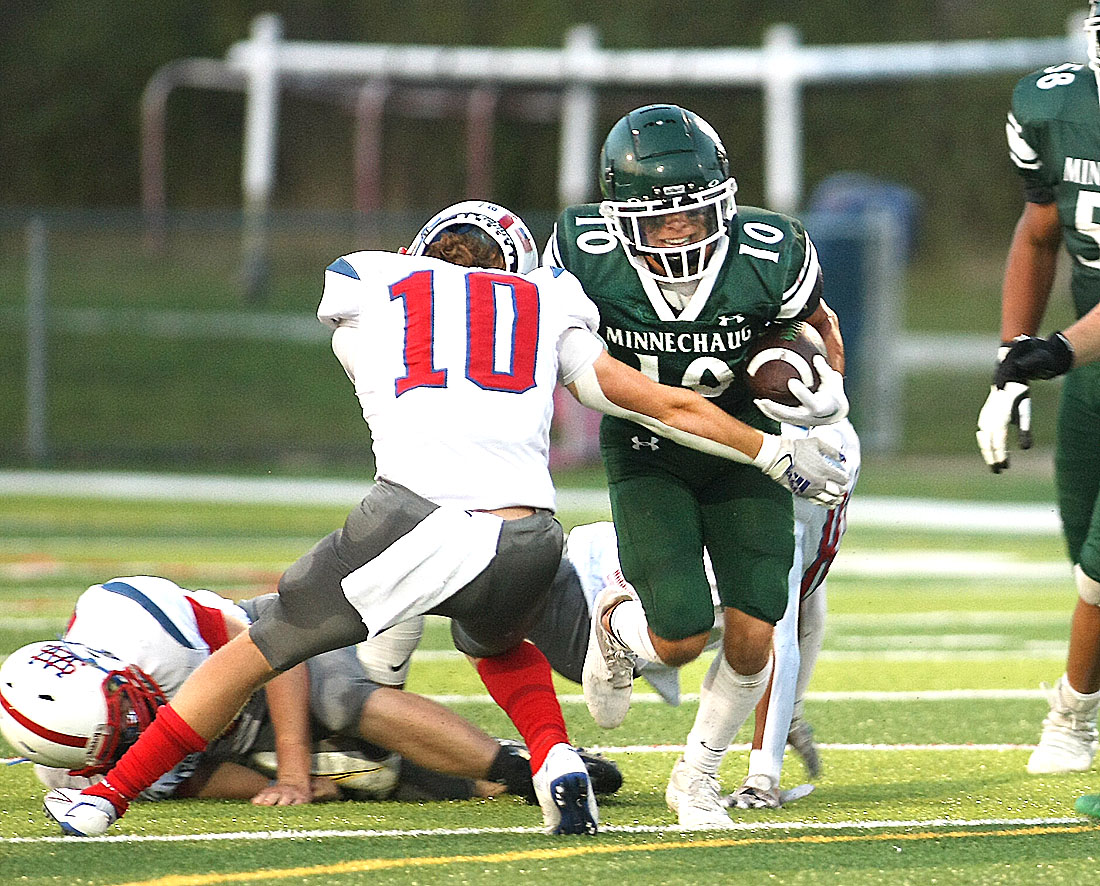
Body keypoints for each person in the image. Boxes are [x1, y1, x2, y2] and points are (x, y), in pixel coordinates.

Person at [42, 199, 849, 838]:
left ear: (418, 250)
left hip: (416, 515)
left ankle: (105, 798)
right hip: (531, 535)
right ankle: (556, 762)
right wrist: (773, 452)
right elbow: (660, 403)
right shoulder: (548, 299)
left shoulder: (365, 277)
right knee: (496, 642)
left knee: (255, 650)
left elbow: (382, 328)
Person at [542, 104, 850, 828]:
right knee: (678, 635)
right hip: (650, 448)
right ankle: (616, 625)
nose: (680, 231)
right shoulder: (581, 254)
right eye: (660, 220)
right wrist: (775, 452)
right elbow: (613, 391)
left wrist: (826, 400)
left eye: (693, 214)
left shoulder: (771, 250)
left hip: (747, 447)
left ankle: (698, 777)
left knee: (756, 626)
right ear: (619, 219)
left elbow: (816, 326)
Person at [0, 576, 620, 806]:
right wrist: (277, 784)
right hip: (233, 742)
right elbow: (195, 779)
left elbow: (275, 651)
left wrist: (295, 772)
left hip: (268, 656)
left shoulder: (133, 618)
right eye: (122, 734)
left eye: (124, 704)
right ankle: (508, 777)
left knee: (337, 700)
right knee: (369, 776)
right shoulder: (69, 776)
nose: (140, 721)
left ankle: (525, 765)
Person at [532, 418, 860, 810]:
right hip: (590, 593)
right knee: (489, 621)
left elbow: (806, 593)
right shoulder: (791, 446)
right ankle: (611, 629)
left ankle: (694, 777)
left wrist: (790, 713)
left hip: (634, 607)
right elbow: (782, 630)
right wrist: (764, 776)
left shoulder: (823, 438)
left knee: (710, 635)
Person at [974, 6, 1100, 800]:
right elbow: (1040, 229)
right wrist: (1013, 357)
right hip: (1091, 363)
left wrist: (1050, 352)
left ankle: (1072, 712)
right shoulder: (1052, 107)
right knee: (1082, 544)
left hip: (1080, 348)